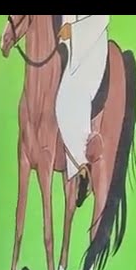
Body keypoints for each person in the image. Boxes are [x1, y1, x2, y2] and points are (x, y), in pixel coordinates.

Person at [54, 15, 110, 185]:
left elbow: (102, 18)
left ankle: (82, 166)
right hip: (67, 44)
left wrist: (73, 31)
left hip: (91, 45)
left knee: (68, 96)